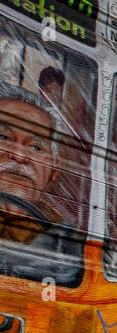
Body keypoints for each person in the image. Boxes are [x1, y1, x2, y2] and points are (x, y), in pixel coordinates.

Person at [0, 85, 76, 249]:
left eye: (36, 148)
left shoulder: (65, 243)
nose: (19, 157)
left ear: (54, 170)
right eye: (3, 137)